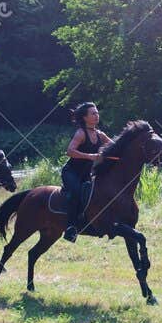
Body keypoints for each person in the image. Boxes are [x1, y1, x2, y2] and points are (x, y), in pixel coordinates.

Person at [62, 102, 113, 243]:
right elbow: (70, 151)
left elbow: (115, 146)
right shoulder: (81, 133)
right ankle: (71, 228)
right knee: (76, 192)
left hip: (86, 174)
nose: (97, 115)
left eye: (97, 113)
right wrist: (90, 156)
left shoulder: (100, 134)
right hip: (71, 172)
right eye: (93, 113)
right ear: (85, 118)